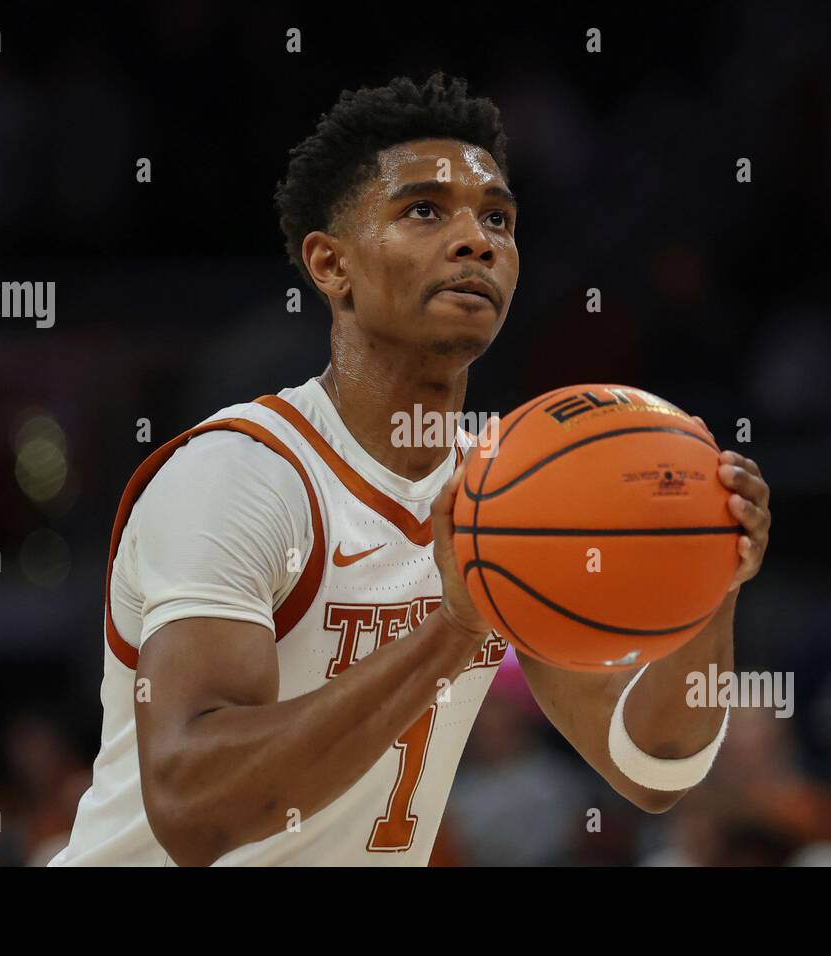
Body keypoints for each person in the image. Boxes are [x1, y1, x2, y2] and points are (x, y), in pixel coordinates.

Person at [51, 71, 771, 866]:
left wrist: (705, 577)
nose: (478, 240)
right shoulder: (239, 473)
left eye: (498, 218)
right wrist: (454, 629)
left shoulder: (508, 490)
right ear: (331, 266)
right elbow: (193, 807)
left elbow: (652, 766)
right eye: (424, 210)